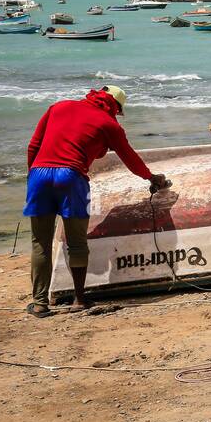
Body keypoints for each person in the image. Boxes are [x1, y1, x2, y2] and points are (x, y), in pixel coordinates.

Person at [24, 85, 166, 316]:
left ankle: (40, 303)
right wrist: (151, 177)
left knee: (40, 242)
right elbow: (130, 158)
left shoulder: (58, 106)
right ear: (115, 106)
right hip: (71, 177)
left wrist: (32, 177)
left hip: (39, 174)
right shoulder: (109, 124)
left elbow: (33, 146)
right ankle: (79, 301)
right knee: (77, 242)